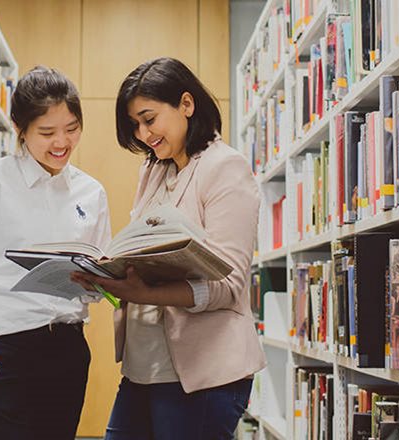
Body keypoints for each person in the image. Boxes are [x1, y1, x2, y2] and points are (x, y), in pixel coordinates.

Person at [71, 57, 266, 440]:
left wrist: (147, 292)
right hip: (143, 368)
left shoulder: (225, 167)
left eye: (149, 119)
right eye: (135, 125)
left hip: (201, 374)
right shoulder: (154, 169)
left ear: (187, 105)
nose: (143, 133)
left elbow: (228, 283)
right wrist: (109, 277)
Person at [0, 66, 110, 440]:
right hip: (2, 351)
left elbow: (100, 273)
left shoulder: (91, 192)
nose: (62, 142)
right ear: (19, 128)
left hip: (67, 349)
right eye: (47, 132)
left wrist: (100, 280)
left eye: (72, 128)